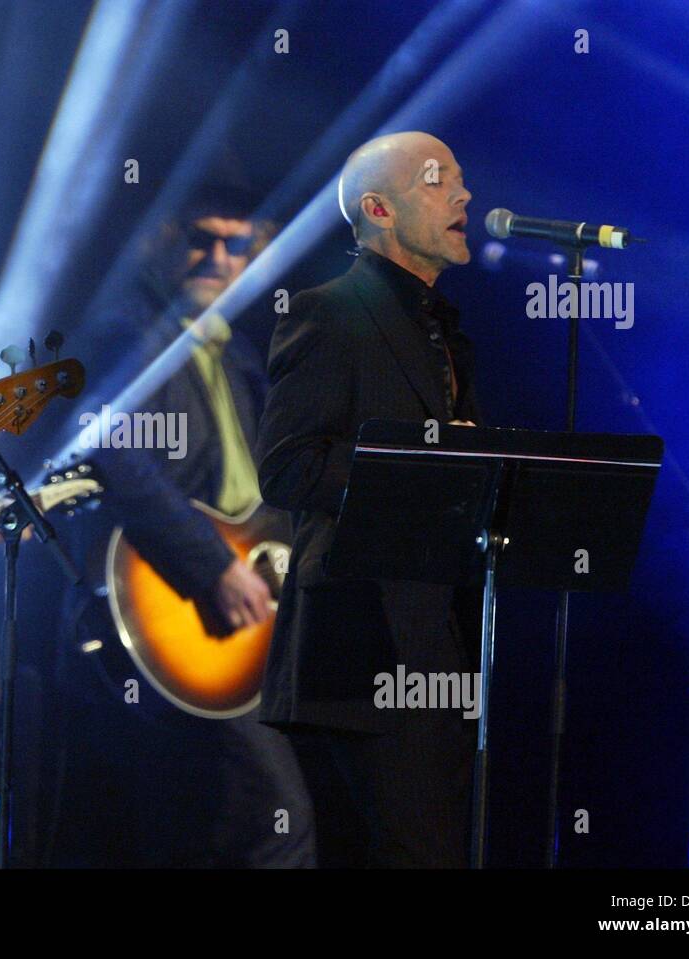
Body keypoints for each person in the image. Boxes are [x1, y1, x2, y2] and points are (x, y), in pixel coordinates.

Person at [42, 188, 315, 868]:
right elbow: (113, 450)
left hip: (232, 621)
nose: (217, 256)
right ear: (161, 241)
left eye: (236, 242)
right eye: (200, 236)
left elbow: (258, 500)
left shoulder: (240, 355)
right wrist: (212, 566)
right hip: (169, 608)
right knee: (278, 824)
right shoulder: (127, 332)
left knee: (198, 826)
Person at [256, 131, 482, 867]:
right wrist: (424, 467)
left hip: (435, 638)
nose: (463, 194)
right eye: (436, 179)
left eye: (459, 179)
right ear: (379, 208)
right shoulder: (331, 312)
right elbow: (286, 469)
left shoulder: (443, 331)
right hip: (358, 648)